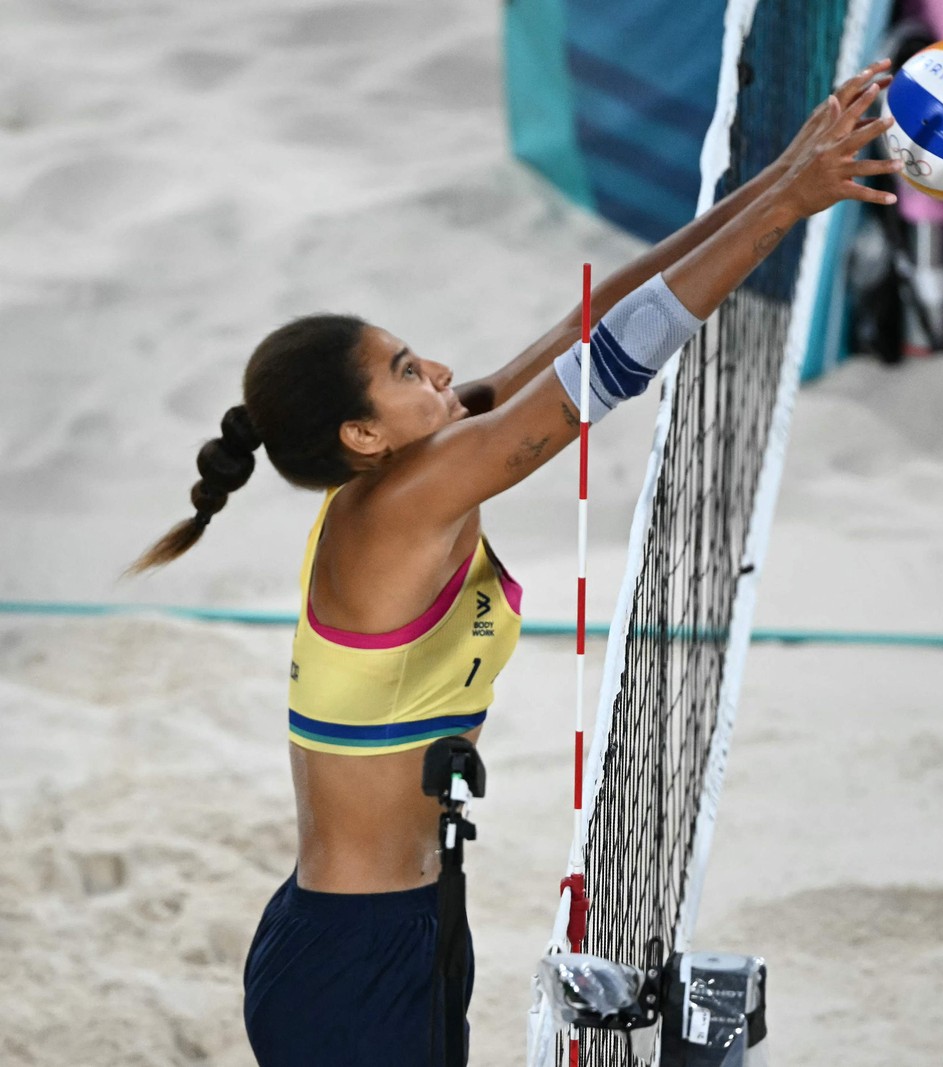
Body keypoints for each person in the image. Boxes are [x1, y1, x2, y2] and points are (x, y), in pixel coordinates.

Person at [128, 65, 903, 1067]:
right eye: (407, 371)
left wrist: (782, 179)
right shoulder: (402, 504)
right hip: (351, 958)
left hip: (399, 926)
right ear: (362, 433)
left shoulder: (409, 471)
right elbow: (606, 370)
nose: (440, 370)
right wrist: (790, 205)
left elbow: (587, 322)